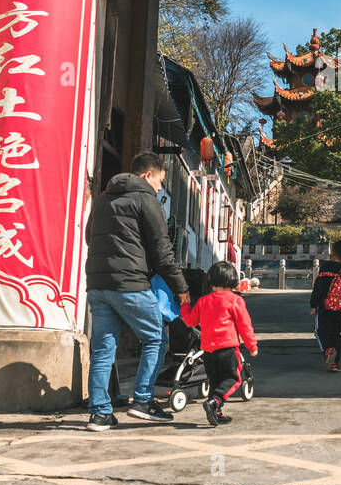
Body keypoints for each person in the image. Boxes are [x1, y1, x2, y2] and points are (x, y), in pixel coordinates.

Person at [84, 152, 189, 432]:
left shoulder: (104, 198)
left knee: (103, 349)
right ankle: (143, 400)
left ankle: (100, 414)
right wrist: (181, 288)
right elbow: (162, 252)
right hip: (130, 284)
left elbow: (88, 235)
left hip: (97, 284)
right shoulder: (147, 200)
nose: (160, 187)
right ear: (147, 176)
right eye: (160, 181)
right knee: (156, 338)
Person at [181, 261, 259, 427]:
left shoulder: (203, 301)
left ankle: (216, 412)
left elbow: (190, 321)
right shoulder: (235, 301)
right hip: (228, 348)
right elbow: (245, 326)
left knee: (215, 382)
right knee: (233, 378)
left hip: (208, 351)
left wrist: (185, 306)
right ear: (232, 280)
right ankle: (215, 402)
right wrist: (252, 346)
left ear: (211, 281)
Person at [310, 239, 341, 372]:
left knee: (320, 331)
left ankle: (328, 350)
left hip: (325, 307)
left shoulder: (325, 268)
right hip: (340, 309)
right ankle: (335, 363)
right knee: (336, 334)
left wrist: (313, 304)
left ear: (333, 253)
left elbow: (318, 287)